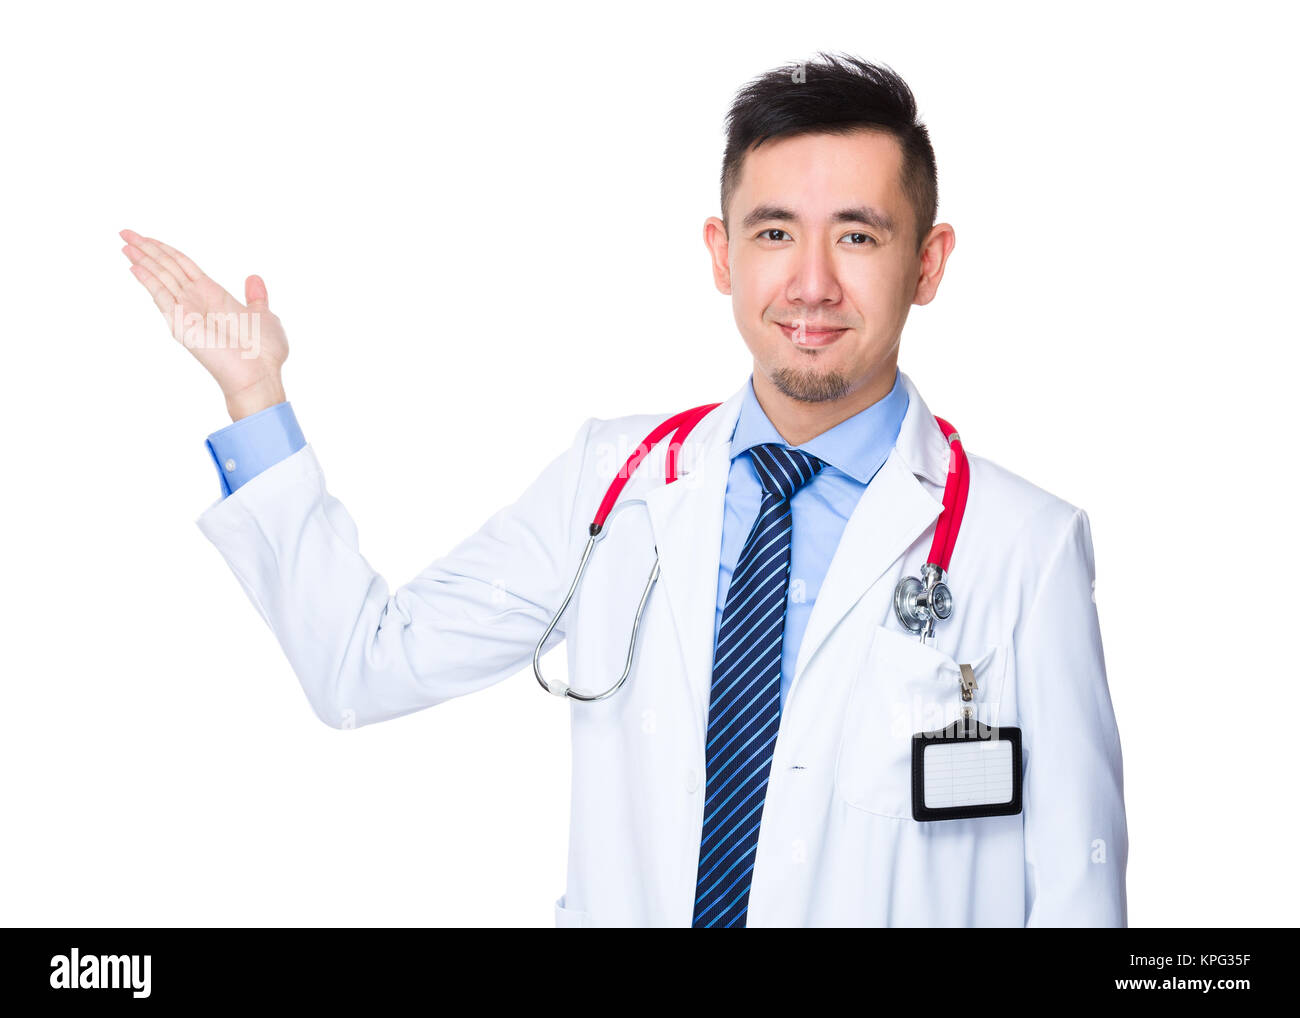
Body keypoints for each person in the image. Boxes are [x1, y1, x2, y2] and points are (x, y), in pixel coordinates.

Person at [121, 53, 1128, 928]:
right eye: (774, 232)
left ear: (927, 262)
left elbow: (1080, 895)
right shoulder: (615, 483)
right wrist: (255, 395)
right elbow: (362, 667)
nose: (812, 282)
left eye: (858, 235)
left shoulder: (1021, 547)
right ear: (720, 254)